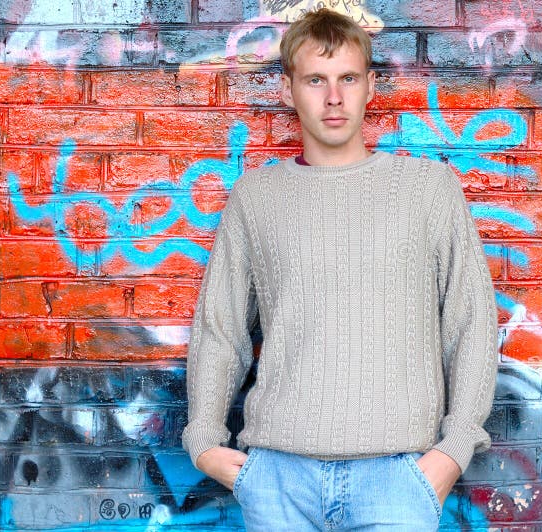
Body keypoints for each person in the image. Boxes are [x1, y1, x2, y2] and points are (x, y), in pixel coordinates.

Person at [182, 8, 498, 531]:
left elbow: (471, 325)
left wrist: (453, 450)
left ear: (371, 86)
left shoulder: (428, 189)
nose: (334, 98)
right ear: (288, 91)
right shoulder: (257, 196)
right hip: (279, 481)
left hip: (399, 481)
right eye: (316, 80)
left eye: (348, 78)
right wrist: (204, 443)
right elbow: (220, 331)